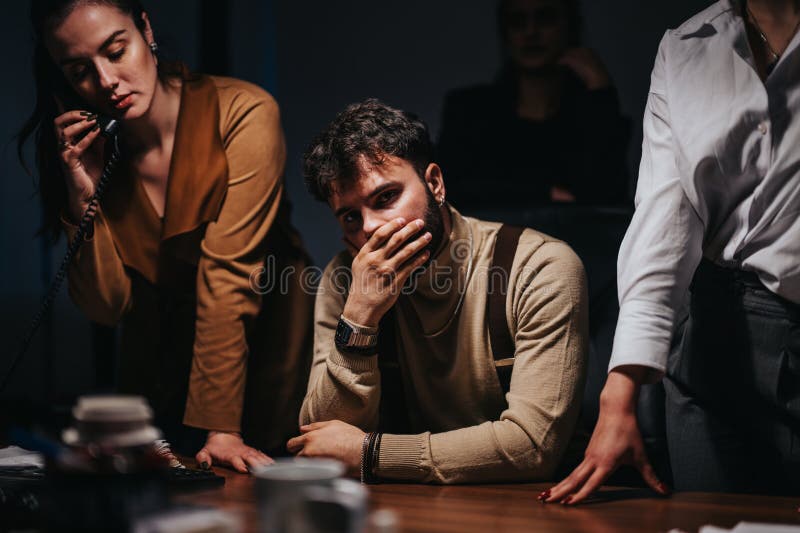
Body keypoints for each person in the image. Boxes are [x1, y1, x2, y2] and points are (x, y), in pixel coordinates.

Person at [17, 0, 313, 472]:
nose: (106, 81)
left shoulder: (243, 111)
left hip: (261, 353)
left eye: (116, 51)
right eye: (79, 72)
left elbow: (228, 274)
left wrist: (221, 428)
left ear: (145, 28)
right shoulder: (93, 158)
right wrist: (83, 199)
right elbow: (106, 307)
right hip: (156, 372)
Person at [544, 0, 800, 503]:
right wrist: (619, 393)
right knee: (704, 519)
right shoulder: (685, 45)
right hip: (708, 342)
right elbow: (666, 218)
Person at [287, 99, 588, 484]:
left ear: (434, 183)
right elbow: (322, 438)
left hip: (528, 507)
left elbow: (532, 445)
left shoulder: (540, 267)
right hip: (407, 507)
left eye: (386, 198)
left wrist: (372, 453)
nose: (372, 228)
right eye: (351, 216)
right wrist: (360, 317)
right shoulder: (344, 281)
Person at [437, 0, 630, 212]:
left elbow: (609, 195)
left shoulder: (589, 114)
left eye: (545, 18)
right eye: (518, 21)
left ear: (570, 26)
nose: (531, 32)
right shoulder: (468, 110)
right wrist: (544, 193)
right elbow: (447, 190)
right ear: (505, 32)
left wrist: (600, 89)